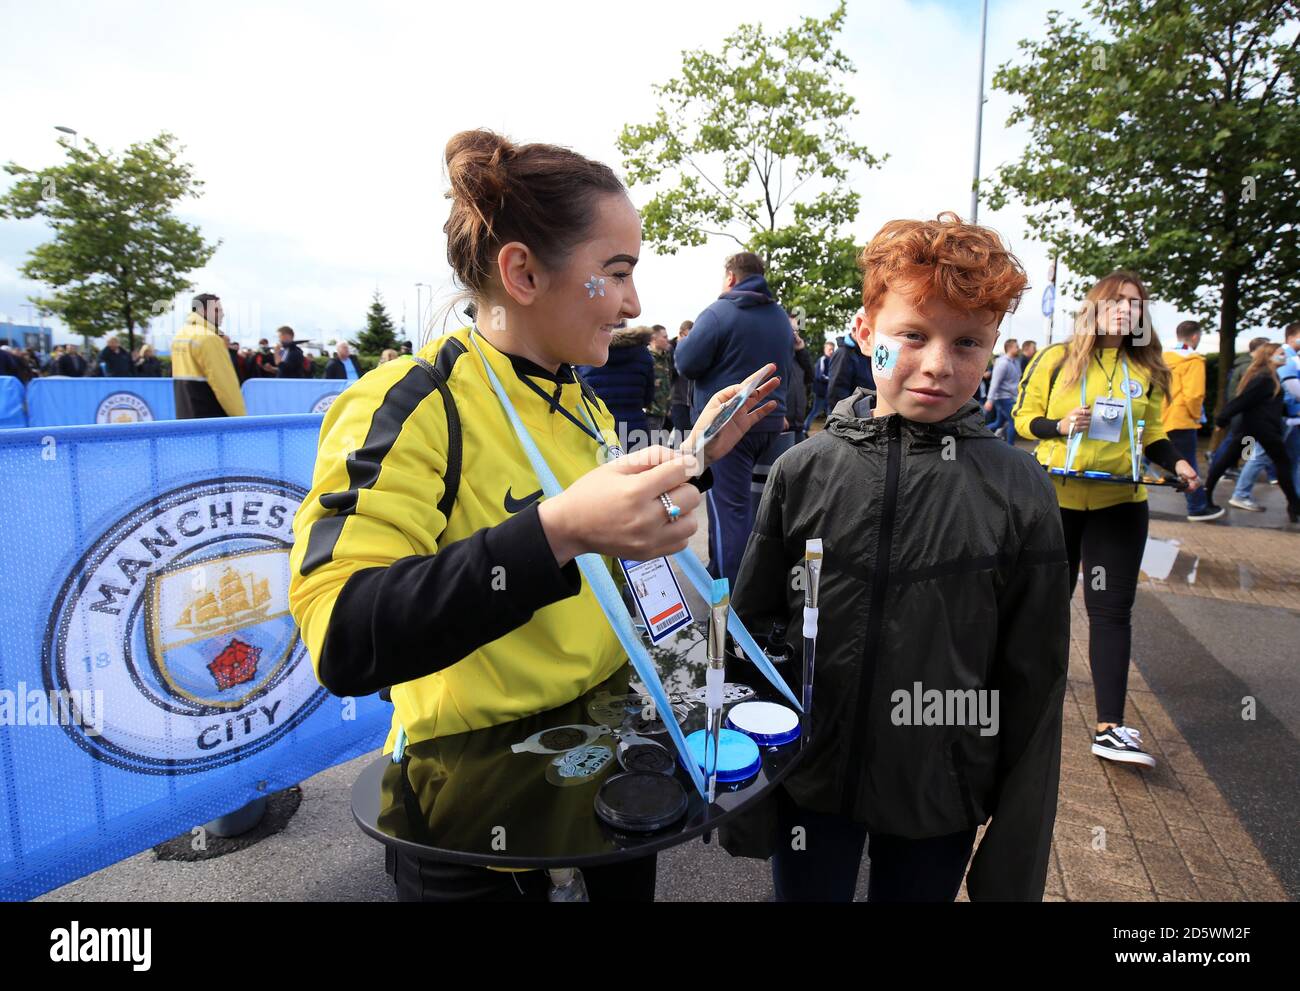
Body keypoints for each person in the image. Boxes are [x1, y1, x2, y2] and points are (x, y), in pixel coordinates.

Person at [287, 128, 778, 903]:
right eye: (615, 273)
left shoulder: (581, 400)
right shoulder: (416, 402)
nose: (634, 303)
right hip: (467, 784)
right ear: (521, 272)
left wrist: (694, 459)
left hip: (613, 737)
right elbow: (344, 633)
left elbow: (614, 550)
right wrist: (557, 530)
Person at [732, 211, 1068, 902]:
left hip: (939, 790)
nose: (939, 364)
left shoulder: (1020, 489)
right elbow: (751, 628)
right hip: (810, 775)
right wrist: (741, 780)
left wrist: (1014, 851)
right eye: (912, 335)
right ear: (866, 333)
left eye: (968, 342)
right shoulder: (804, 469)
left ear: (994, 346)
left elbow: (1035, 677)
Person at [1014, 271, 1201, 769]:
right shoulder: (1056, 359)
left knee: (1113, 612)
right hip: (1056, 498)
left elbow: (1156, 433)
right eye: (1116, 301)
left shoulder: (1147, 368)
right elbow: (1021, 418)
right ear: (1096, 307)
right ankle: (1021, 704)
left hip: (1121, 503)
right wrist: (1058, 424)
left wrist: (1179, 463)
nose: (1126, 311)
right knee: (1044, 605)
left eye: (1135, 304)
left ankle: (1109, 728)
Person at [673, 251, 791, 586]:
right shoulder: (779, 315)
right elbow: (788, 367)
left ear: (730, 277)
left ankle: (730, 594)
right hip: (771, 423)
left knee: (729, 512)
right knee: (758, 512)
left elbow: (686, 363)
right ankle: (743, 578)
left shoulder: (719, 312)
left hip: (727, 427)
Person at [1202, 343, 1300, 522]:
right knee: (1281, 464)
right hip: (1262, 429)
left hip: (1253, 429)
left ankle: (1206, 496)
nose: (1284, 356)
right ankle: (1294, 505)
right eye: (1280, 353)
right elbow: (1244, 400)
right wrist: (1222, 419)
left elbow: (1263, 403)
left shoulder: (1269, 377)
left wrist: (1288, 411)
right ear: (1269, 356)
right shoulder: (1265, 379)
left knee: (1227, 461)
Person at [1162, 320, 1219, 520]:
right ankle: (1197, 507)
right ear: (1195, 336)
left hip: (1162, 417)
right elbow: (1194, 395)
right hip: (1182, 418)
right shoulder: (1194, 361)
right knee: (1188, 464)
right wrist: (1196, 415)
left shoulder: (1162, 358)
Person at [578, 325, 656, 450]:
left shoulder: (586, 352)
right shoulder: (643, 354)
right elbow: (649, 397)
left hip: (598, 427)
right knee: (638, 467)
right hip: (635, 426)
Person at [170, 293, 247, 419]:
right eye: (217, 310)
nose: (222, 314)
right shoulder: (209, 338)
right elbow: (225, 386)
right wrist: (240, 417)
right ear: (203, 311)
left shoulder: (180, 335)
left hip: (185, 414)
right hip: (210, 417)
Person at [826, 311, 875, 408]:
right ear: (855, 330)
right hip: (850, 417)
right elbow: (836, 391)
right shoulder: (843, 354)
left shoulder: (866, 353)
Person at [984, 338, 1021, 444]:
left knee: (999, 423)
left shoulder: (1015, 362)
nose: (1019, 349)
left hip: (1011, 397)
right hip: (1004, 398)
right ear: (1010, 348)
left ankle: (978, 435)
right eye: (1016, 347)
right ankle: (1010, 447)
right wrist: (990, 400)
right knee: (1014, 422)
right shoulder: (1003, 363)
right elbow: (995, 382)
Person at [786, 310, 814, 443]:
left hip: (798, 424)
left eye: (797, 331)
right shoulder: (777, 355)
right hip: (781, 426)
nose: (795, 334)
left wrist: (802, 351)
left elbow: (810, 377)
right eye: (792, 330)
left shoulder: (798, 356)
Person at [668, 320, 694, 440]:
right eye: (689, 336)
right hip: (677, 400)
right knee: (680, 437)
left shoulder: (693, 350)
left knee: (689, 437)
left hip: (690, 401)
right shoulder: (669, 350)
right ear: (681, 333)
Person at [646, 324, 673, 437]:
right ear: (653, 338)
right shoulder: (647, 357)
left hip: (664, 411)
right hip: (651, 411)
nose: (667, 340)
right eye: (664, 337)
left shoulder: (666, 357)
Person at [804, 340, 834, 432]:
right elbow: (820, 376)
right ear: (825, 349)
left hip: (828, 392)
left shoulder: (832, 360)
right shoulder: (822, 360)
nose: (831, 351)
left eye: (833, 349)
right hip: (821, 392)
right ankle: (805, 428)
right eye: (829, 349)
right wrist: (832, 379)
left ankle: (832, 431)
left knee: (830, 413)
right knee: (815, 411)